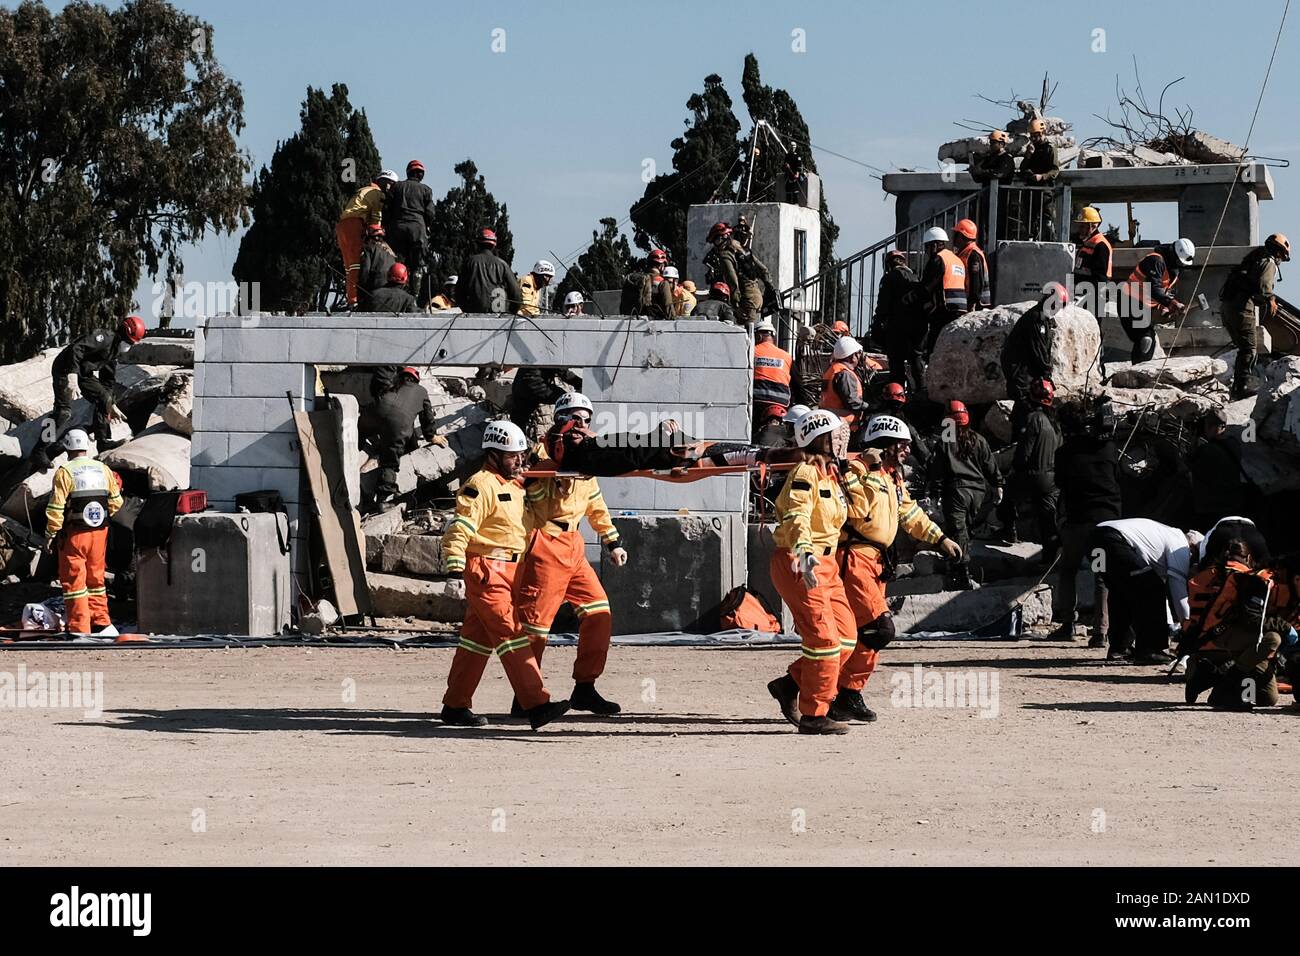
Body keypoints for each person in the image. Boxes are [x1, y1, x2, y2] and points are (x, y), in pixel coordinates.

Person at [440, 420, 570, 729]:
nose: (520, 461)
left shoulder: (515, 485)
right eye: (513, 456)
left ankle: (455, 706)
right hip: (487, 571)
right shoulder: (479, 485)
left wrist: (555, 490)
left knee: (476, 641)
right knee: (512, 635)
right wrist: (455, 564)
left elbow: (539, 518)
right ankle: (536, 704)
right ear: (494, 454)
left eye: (522, 455)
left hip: (512, 571)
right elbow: (461, 528)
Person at [831, 414, 962, 717]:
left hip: (876, 563)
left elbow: (910, 514)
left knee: (865, 632)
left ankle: (845, 692)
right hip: (855, 559)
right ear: (884, 446)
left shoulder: (893, 477)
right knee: (878, 629)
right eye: (901, 445)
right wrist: (868, 468)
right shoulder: (857, 471)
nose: (907, 451)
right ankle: (819, 687)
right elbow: (856, 510)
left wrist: (940, 539)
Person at [514, 393, 628, 717]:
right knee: (536, 626)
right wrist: (558, 468)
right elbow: (532, 489)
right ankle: (526, 696)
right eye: (574, 418)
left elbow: (595, 503)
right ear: (560, 418)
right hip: (545, 543)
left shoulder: (588, 455)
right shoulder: (542, 454)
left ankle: (585, 689)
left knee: (598, 614)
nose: (581, 425)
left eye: (586, 419)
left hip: (574, 544)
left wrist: (612, 542)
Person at [762, 410, 857, 735]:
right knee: (824, 641)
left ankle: (790, 685)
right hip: (800, 561)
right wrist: (804, 552)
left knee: (846, 639)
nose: (843, 439)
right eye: (836, 434)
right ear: (819, 438)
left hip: (826, 564)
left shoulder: (831, 473)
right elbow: (796, 517)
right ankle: (814, 715)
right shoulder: (806, 472)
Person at [33, 315, 147, 470]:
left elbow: (108, 381)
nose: (129, 346)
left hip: (83, 374)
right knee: (63, 413)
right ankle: (39, 450)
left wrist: (110, 405)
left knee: (104, 398)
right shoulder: (104, 338)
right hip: (65, 368)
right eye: (128, 342)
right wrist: (71, 375)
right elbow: (77, 348)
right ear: (122, 334)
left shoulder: (114, 352)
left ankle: (103, 441)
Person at [1053, 400, 1121, 644]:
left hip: (1078, 521)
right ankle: (1101, 631)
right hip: (1107, 522)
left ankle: (1068, 624)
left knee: (1068, 570)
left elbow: (1059, 483)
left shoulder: (1064, 453)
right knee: (1101, 574)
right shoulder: (1108, 448)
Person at [43, 429, 123, 635]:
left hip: (75, 535)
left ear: (67, 447)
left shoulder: (65, 472)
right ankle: (102, 623)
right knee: (96, 579)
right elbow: (116, 502)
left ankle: (80, 627)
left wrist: (51, 534)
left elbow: (55, 508)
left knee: (74, 581)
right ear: (87, 446)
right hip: (99, 533)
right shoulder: (102, 469)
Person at [1088, 517, 1195, 663]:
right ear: (1193, 548)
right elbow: (1178, 591)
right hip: (1114, 539)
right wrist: (1189, 624)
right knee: (1153, 587)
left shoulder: (1160, 539)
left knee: (1119, 591)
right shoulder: (1180, 546)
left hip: (1093, 538)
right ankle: (1150, 649)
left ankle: (1119, 649)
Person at [933, 400, 1001, 589]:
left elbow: (938, 470)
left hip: (956, 492)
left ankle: (961, 572)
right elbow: (990, 465)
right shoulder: (979, 439)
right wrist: (998, 485)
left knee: (958, 532)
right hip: (978, 492)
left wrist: (935, 494)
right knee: (965, 530)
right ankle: (960, 566)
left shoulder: (946, 441)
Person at [359, 366, 441, 509]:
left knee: (360, 432)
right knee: (389, 462)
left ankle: (355, 448)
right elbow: (427, 417)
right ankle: (383, 500)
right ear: (416, 380)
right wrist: (432, 436)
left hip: (375, 411)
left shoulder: (394, 384)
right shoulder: (421, 391)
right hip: (398, 424)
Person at [1220, 232, 1290, 398]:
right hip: (1242, 307)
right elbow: (1263, 287)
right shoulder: (1269, 261)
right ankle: (1241, 387)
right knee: (1249, 348)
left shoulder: (1254, 258)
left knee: (1244, 347)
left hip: (1228, 307)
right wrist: (1271, 299)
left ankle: (1239, 385)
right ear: (1279, 252)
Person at [1003, 378, 1061, 560]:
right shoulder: (1056, 422)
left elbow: (1023, 453)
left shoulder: (1034, 419)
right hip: (1054, 479)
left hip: (1033, 476)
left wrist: (1015, 469)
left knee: (1007, 492)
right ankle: (1050, 557)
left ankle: (1009, 530)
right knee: (1048, 519)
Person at [1001, 286, 1063, 443]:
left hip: (1027, 371)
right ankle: (1018, 444)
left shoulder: (1044, 319)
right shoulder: (1036, 319)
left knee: (1029, 405)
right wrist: (1047, 374)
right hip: (1021, 372)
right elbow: (1039, 352)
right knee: (1025, 406)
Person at [1120, 239, 1195, 363]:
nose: (1180, 266)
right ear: (1173, 254)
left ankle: (1138, 372)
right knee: (1145, 339)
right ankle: (1138, 374)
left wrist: (1163, 307)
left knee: (1147, 340)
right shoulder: (1156, 260)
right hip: (1128, 301)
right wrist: (1172, 302)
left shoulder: (1173, 269)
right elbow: (1153, 289)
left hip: (1143, 305)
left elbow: (1162, 291)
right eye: (1178, 262)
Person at [336, 169, 398, 308]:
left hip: (343, 226)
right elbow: (376, 218)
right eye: (390, 184)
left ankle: (351, 298)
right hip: (355, 224)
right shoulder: (377, 193)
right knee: (357, 265)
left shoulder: (365, 190)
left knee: (350, 266)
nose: (390, 188)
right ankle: (354, 300)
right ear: (384, 182)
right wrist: (378, 235)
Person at [1186, 406, 1252, 530]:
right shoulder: (1234, 444)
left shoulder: (1207, 450)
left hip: (1212, 508)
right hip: (1233, 503)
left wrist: (1192, 446)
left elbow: (1190, 468)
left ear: (1211, 427)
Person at [383, 160, 437, 303]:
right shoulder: (426, 190)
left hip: (397, 229)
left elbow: (386, 209)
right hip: (417, 230)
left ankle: (395, 296)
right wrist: (426, 226)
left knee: (396, 263)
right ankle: (413, 299)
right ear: (421, 174)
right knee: (417, 266)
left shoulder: (396, 187)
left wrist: (387, 226)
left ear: (408, 172)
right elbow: (430, 213)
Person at [909, 227, 967, 359]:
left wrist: (909, 299)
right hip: (961, 308)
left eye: (927, 247)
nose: (926, 251)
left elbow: (928, 286)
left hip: (945, 308)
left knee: (934, 344)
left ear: (934, 245)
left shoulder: (938, 259)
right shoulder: (956, 259)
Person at [873, 249, 923, 390]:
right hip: (917, 327)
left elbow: (883, 305)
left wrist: (877, 324)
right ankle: (920, 391)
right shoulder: (915, 278)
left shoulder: (889, 278)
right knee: (916, 359)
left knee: (896, 362)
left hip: (897, 327)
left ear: (888, 265)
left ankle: (898, 393)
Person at [455, 228, 521, 314]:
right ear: (494, 245)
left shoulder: (470, 262)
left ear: (478, 244)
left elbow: (459, 292)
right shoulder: (503, 264)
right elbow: (515, 293)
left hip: (474, 313)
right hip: (499, 314)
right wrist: (511, 312)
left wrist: (466, 309)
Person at [510, 365, 582, 443]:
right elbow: (562, 370)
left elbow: (562, 371)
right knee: (566, 399)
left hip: (525, 384)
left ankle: (523, 442)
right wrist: (579, 383)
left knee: (520, 419)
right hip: (534, 383)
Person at [1018, 118, 1059, 240]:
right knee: (1030, 219)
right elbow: (1022, 168)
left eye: (1036, 136)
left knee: (1047, 220)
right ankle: (1032, 238)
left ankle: (1050, 241)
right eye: (1032, 136)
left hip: (1045, 190)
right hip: (1031, 189)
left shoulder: (1049, 148)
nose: (1034, 139)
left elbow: (1055, 170)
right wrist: (1028, 156)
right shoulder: (1031, 149)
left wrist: (1042, 176)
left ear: (1042, 133)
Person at [819, 336, 873, 430]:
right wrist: (869, 407)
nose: (859, 356)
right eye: (858, 353)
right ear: (852, 356)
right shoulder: (845, 374)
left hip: (831, 422)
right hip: (845, 426)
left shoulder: (832, 369)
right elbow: (851, 402)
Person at [752, 318, 793, 438]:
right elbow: (795, 382)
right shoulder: (786, 356)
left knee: (753, 431)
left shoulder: (751, 352)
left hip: (758, 399)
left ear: (759, 336)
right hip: (782, 401)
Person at [1071, 207, 1113, 313]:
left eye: (1082, 226)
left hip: (1093, 296)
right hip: (1083, 292)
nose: (1079, 229)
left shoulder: (1100, 245)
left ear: (1092, 226)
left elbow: (1100, 278)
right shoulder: (1088, 243)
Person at [951, 218, 990, 311]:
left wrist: (972, 302)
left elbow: (976, 282)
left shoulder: (973, 255)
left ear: (962, 236)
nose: (953, 238)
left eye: (956, 234)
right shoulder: (965, 252)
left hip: (975, 305)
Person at [620, 249, 670, 315]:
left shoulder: (638, 279)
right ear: (661, 266)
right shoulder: (662, 282)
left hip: (630, 317)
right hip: (651, 321)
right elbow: (668, 308)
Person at [358, 224, 398, 298]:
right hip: (391, 291)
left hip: (375, 289)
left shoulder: (369, 249)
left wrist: (361, 290)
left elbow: (365, 270)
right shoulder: (391, 253)